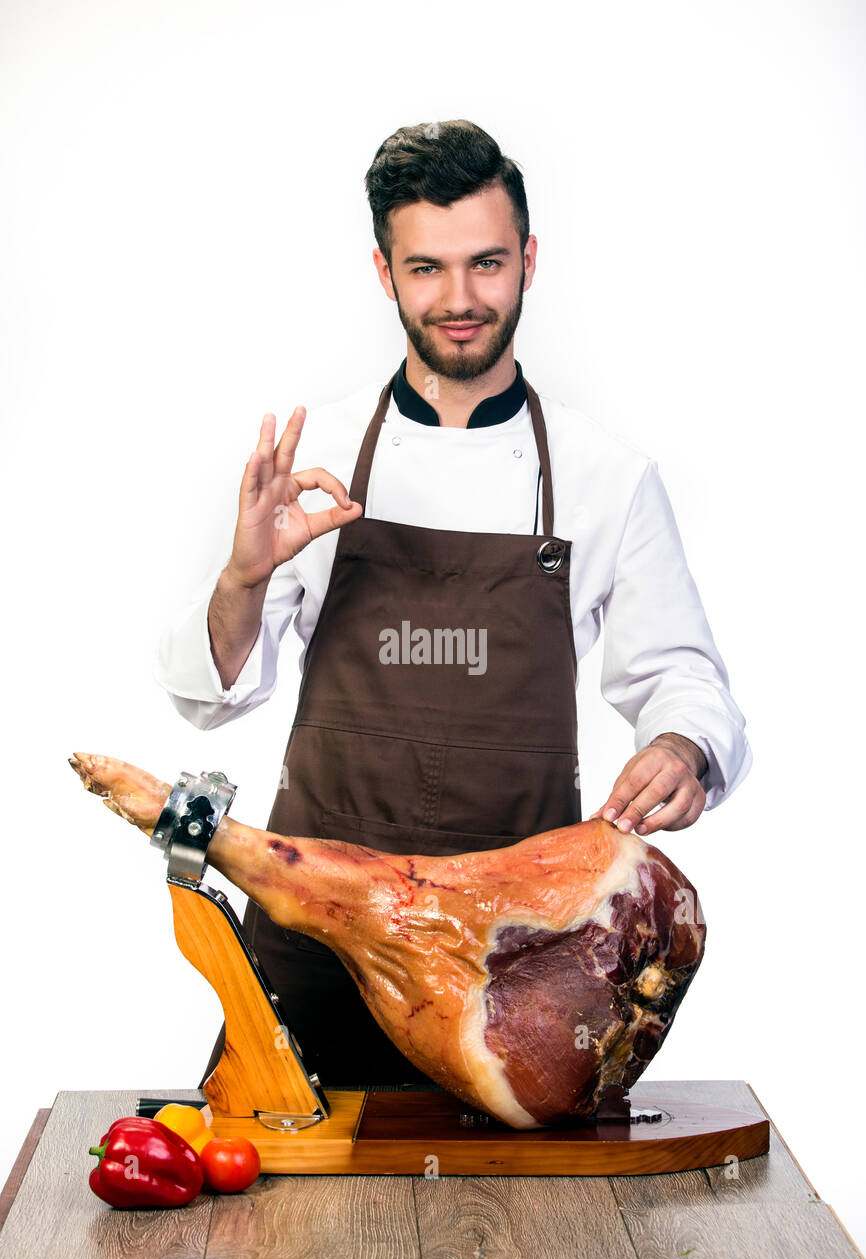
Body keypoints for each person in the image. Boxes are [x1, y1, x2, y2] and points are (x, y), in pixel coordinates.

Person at [155, 119, 752, 1088]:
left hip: (515, 965)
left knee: (522, 1238)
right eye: (426, 269)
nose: (461, 299)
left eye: (484, 263)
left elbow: (683, 679)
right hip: (317, 949)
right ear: (385, 275)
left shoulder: (605, 477)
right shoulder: (324, 457)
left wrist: (681, 747)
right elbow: (209, 691)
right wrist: (244, 576)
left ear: (527, 260)